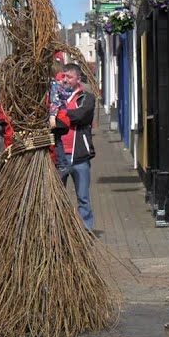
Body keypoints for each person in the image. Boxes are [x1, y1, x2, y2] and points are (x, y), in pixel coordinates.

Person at [56, 65, 95, 231]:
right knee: (57, 196)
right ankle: (59, 229)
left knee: (83, 197)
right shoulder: (56, 96)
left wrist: (58, 115)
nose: (65, 80)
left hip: (79, 156)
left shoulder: (87, 97)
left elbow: (81, 115)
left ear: (78, 79)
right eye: (64, 76)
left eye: (69, 77)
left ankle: (86, 229)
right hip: (59, 156)